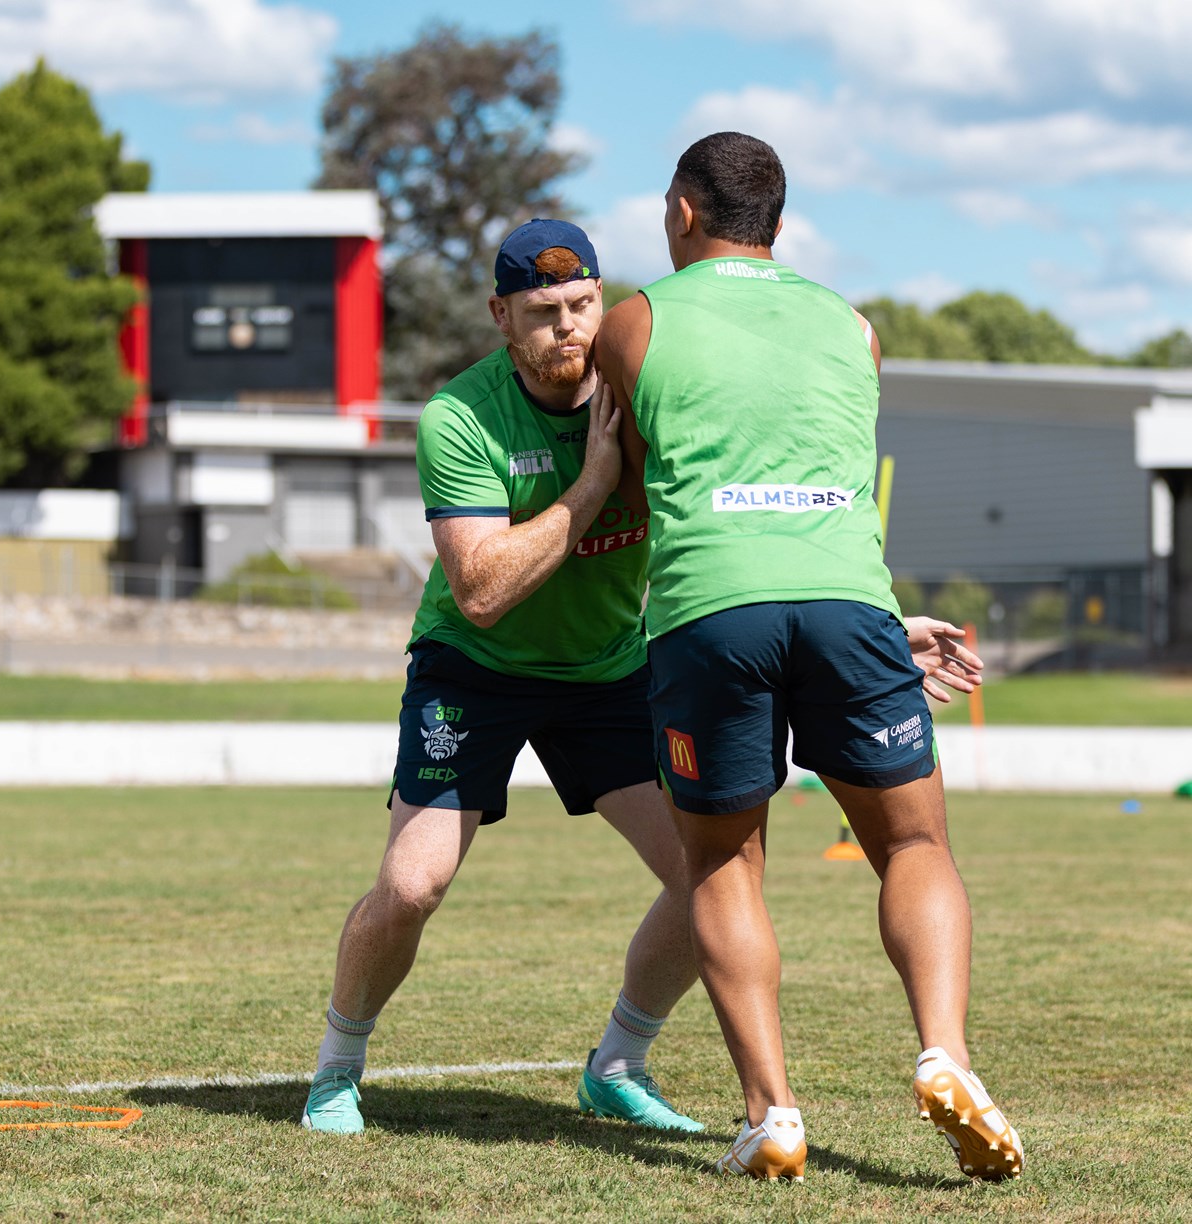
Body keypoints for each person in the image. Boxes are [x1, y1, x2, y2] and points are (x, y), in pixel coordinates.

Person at [300, 217, 987, 1141]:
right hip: (477, 667)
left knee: (703, 873)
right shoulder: (459, 417)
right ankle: (338, 1066)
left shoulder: (646, 388)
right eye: (542, 312)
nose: (569, 329)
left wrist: (873, 630)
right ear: (501, 317)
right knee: (414, 884)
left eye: (583, 304)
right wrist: (589, 486)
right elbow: (481, 591)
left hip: (612, 667)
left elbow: (734, 527)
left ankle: (617, 1062)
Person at [596, 132, 1024, 1183]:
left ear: (685, 213)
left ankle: (772, 1113)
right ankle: (946, 1053)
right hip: (849, 603)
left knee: (722, 861)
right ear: (778, 225)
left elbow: (639, 489)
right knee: (915, 843)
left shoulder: (635, 322)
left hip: (709, 609)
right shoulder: (854, 327)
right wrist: (881, 627)